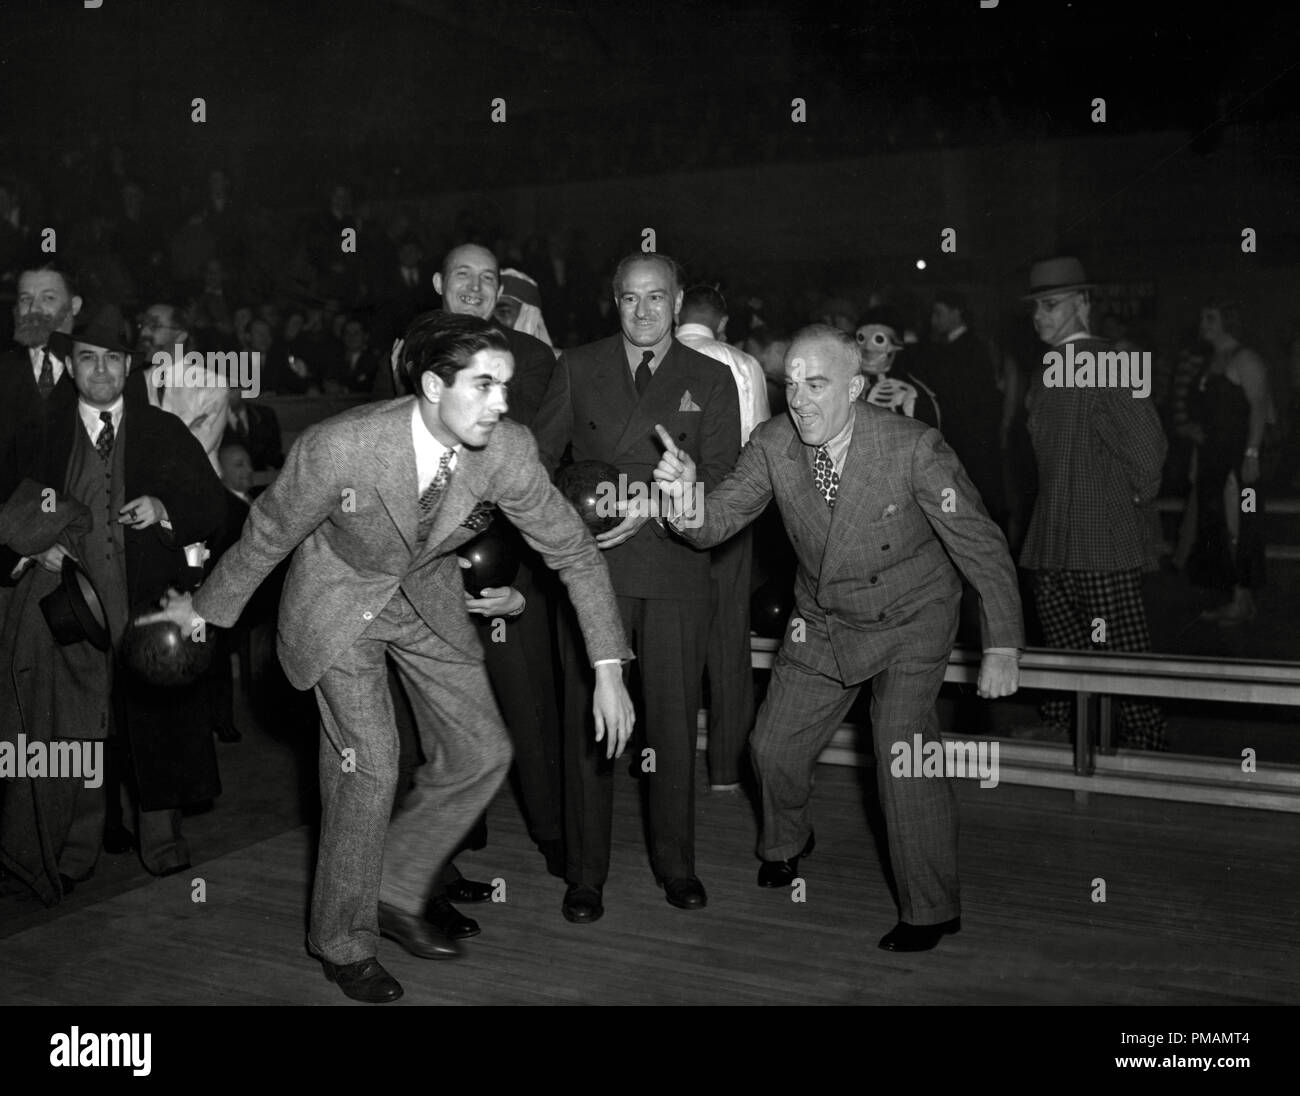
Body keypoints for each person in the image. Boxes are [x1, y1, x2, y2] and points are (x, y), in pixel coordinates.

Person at [155, 312, 634, 1004]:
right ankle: (344, 943)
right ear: (434, 385)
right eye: (485, 385)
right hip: (338, 600)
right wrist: (203, 610)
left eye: (506, 385)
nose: (502, 402)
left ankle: (390, 885)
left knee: (483, 751)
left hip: (427, 599)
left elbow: (574, 551)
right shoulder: (340, 448)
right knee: (369, 762)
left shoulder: (507, 450)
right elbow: (268, 531)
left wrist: (610, 669)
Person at [652, 324, 1022, 952]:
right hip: (823, 617)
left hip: (912, 616)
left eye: (815, 384)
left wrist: (1003, 644)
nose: (798, 399)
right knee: (770, 749)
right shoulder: (772, 442)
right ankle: (788, 841)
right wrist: (687, 501)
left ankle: (931, 909)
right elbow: (719, 520)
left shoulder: (914, 448)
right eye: (790, 383)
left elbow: (980, 544)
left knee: (902, 756)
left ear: (855, 388)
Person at [533, 252, 741, 923]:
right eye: (630, 299)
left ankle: (675, 862)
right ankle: (585, 872)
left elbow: (728, 486)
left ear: (678, 301)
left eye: (657, 297)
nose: (644, 311)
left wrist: (662, 500)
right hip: (594, 571)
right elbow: (535, 464)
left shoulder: (710, 377)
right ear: (613, 301)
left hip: (675, 567)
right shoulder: (577, 365)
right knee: (591, 726)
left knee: (673, 727)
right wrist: (573, 520)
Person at [0, 304, 227, 901]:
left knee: (155, 721)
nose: (100, 370)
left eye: (111, 359)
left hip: (149, 606)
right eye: (87, 358)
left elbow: (216, 508)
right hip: (71, 611)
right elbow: (11, 518)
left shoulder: (162, 432)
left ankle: (164, 845)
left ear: (128, 365)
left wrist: (165, 512)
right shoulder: (40, 436)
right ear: (70, 367)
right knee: (79, 726)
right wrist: (36, 550)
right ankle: (76, 851)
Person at [1018, 257, 1168, 750]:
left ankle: (1145, 744)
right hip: (1052, 542)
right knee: (1065, 651)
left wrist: (1126, 507)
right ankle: (1066, 731)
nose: (1040, 315)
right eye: (1036, 306)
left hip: (1098, 544)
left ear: (1083, 304)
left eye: (1052, 304)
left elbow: (1149, 451)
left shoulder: (1108, 362)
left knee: (1119, 653)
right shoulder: (1047, 370)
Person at [674, 283, 769, 791]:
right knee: (728, 639)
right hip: (731, 512)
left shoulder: (657, 357)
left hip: (667, 512)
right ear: (723, 322)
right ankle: (726, 771)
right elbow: (761, 444)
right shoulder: (744, 364)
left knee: (669, 638)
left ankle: (665, 762)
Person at [1187, 299, 1274, 624]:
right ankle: (1236, 598)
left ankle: (1243, 600)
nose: (1203, 322)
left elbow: (1259, 408)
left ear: (1228, 320)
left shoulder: (1245, 358)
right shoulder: (1213, 360)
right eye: (1202, 316)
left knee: (1239, 523)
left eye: (1210, 317)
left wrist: (1251, 453)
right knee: (1220, 525)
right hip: (1214, 456)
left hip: (1238, 457)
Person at [855, 306, 940, 428]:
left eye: (879, 340)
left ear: (897, 347)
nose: (868, 348)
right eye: (861, 338)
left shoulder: (912, 394)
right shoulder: (846, 384)